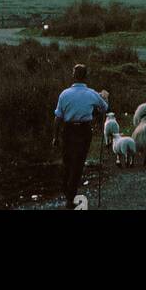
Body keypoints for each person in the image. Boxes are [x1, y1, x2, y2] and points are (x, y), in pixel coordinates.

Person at [53, 64, 109, 207]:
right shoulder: (91, 94)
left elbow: (58, 117)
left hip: (68, 130)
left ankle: (67, 193)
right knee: (78, 163)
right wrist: (105, 97)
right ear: (85, 77)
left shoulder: (64, 94)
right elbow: (104, 108)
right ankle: (70, 196)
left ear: (74, 75)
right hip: (83, 131)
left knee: (67, 161)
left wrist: (55, 136)